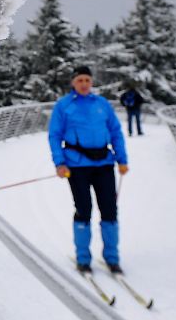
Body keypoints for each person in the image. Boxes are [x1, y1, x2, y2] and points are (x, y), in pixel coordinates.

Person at [48, 66, 129, 274]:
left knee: (110, 210)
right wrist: (59, 163)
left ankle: (112, 257)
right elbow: (55, 135)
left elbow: (115, 131)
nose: (84, 83)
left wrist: (122, 159)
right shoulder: (64, 106)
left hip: (104, 164)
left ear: (91, 82)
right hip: (76, 166)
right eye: (80, 80)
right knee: (84, 210)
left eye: (87, 80)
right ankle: (83, 258)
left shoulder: (102, 104)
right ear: (73, 83)